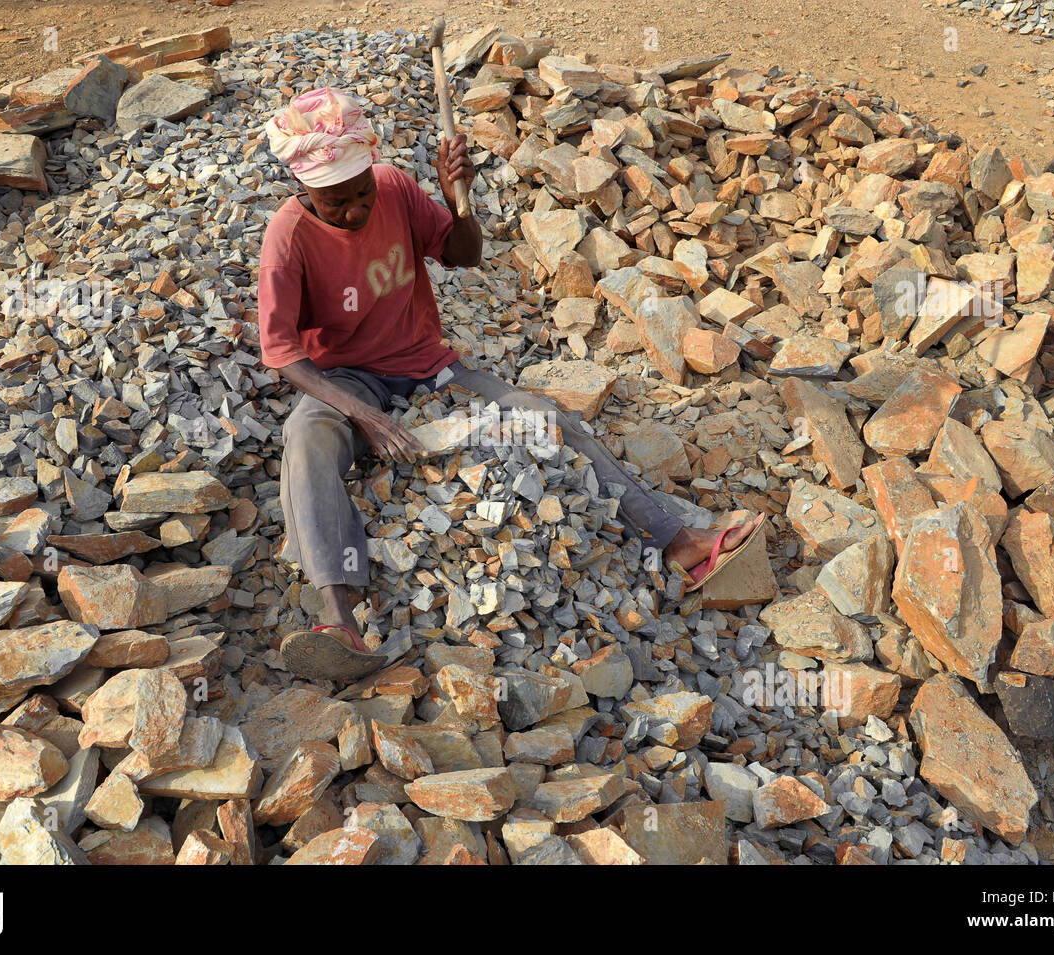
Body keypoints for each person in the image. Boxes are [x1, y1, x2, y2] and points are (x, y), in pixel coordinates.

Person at [257, 87, 764, 681]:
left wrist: (457, 203)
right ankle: (338, 619)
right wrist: (366, 417)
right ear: (303, 190)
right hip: (348, 379)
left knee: (539, 415)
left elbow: (464, 254)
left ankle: (675, 540)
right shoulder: (288, 236)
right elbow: (285, 355)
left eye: (360, 192)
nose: (355, 210)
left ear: (373, 169)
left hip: (427, 365)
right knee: (308, 438)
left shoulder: (393, 188)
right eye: (335, 202)